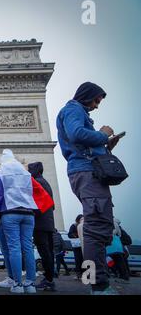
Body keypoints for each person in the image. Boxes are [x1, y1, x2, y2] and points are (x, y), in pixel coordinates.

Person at [56, 82, 121, 295]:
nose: (97, 106)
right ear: (86, 96)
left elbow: (79, 141)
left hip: (85, 171)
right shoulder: (73, 109)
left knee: (99, 227)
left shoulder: (75, 110)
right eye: (96, 100)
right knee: (95, 230)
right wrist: (102, 135)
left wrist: (104, 146)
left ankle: (96, 283)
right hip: (86, 172)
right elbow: (76, 134)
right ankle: (97, 285)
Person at [0, 149, 50, 294]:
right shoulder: (25, 173)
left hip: (11, 213)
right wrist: (43, 206)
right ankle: (30, 284)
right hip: (28, 214)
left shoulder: (3, 171)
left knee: (14, 248)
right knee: (28, 248)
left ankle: (17, 284)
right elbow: (38, 190)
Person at [28, 162, 56, 291]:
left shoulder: (38, 182)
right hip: (48, 222)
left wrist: (30, 213)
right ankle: (49, 278)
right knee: (48, 252)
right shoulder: (45, 182)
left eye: (29, 169)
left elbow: (37, 206)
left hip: (40, 223)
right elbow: (52, 205)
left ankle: (48, 280)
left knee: (44, 252)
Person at [68, 214, 84, 280]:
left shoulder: (84, 225)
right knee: (78, 260)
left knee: (84, 260)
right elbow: (70, 234)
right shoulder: (74, 226)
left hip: (83, 245)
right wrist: (77, 235)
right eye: (81, 219)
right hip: (77, 246)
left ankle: (84, 274)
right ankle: (79, 275)